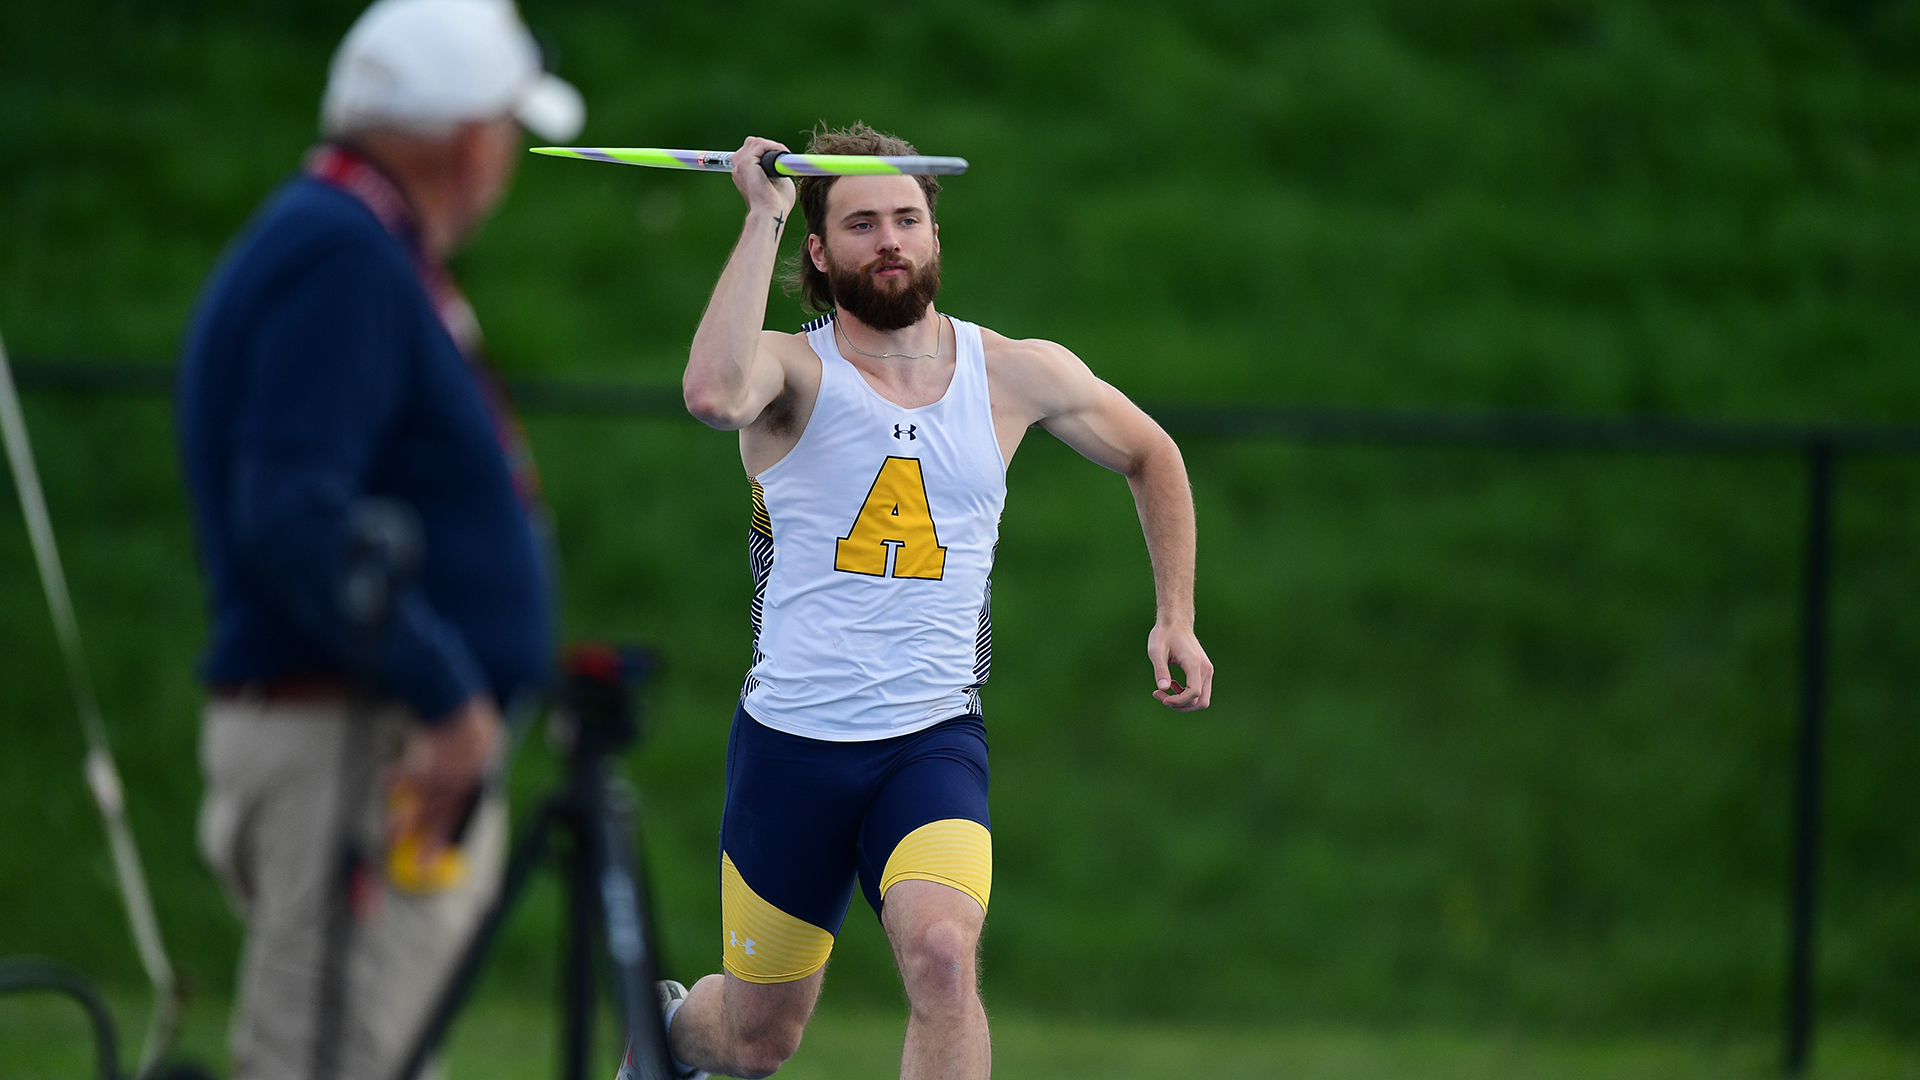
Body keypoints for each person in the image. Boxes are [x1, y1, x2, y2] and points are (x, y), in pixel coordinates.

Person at [658, 123, 1214, 1080]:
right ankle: (665, 1037)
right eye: (863, 222)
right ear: (822, 253)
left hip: (929, 740)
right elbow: (712, 393)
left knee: (945, 958)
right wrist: (762, 217)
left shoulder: (1012, 372)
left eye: (908, 218)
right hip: (792, 746)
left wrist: (1177, 613)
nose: (891, 240)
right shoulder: (793, 372)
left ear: (934, 236)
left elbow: (1150, 452)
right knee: (756, 1040)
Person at [175, 1, 584, 1077]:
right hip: (362, 745)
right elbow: (297, 511)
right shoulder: (343, 255)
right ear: (467, 139)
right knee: (338, 1057)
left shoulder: (342, 236)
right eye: (505, 129)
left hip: (363, 741)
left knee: (372, 1050)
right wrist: (447, 697)